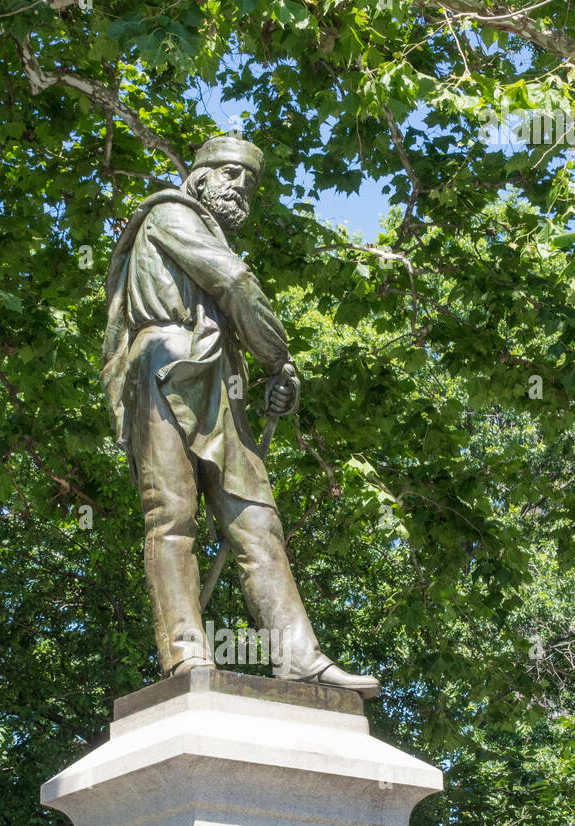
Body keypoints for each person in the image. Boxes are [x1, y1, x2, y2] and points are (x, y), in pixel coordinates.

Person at [101, 134, 380, 697]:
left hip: (220, 385)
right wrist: (277, 354)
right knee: (172, 516)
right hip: (165, 369)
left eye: (248, 181)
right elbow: (234, 282)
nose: (240, 188)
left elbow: (228, 308)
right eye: (230, 174)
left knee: (257, 522)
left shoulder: (204, 229)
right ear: (200, 177)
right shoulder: (170, 213)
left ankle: (299, 658)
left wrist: (275, 384)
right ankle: (186, 658)